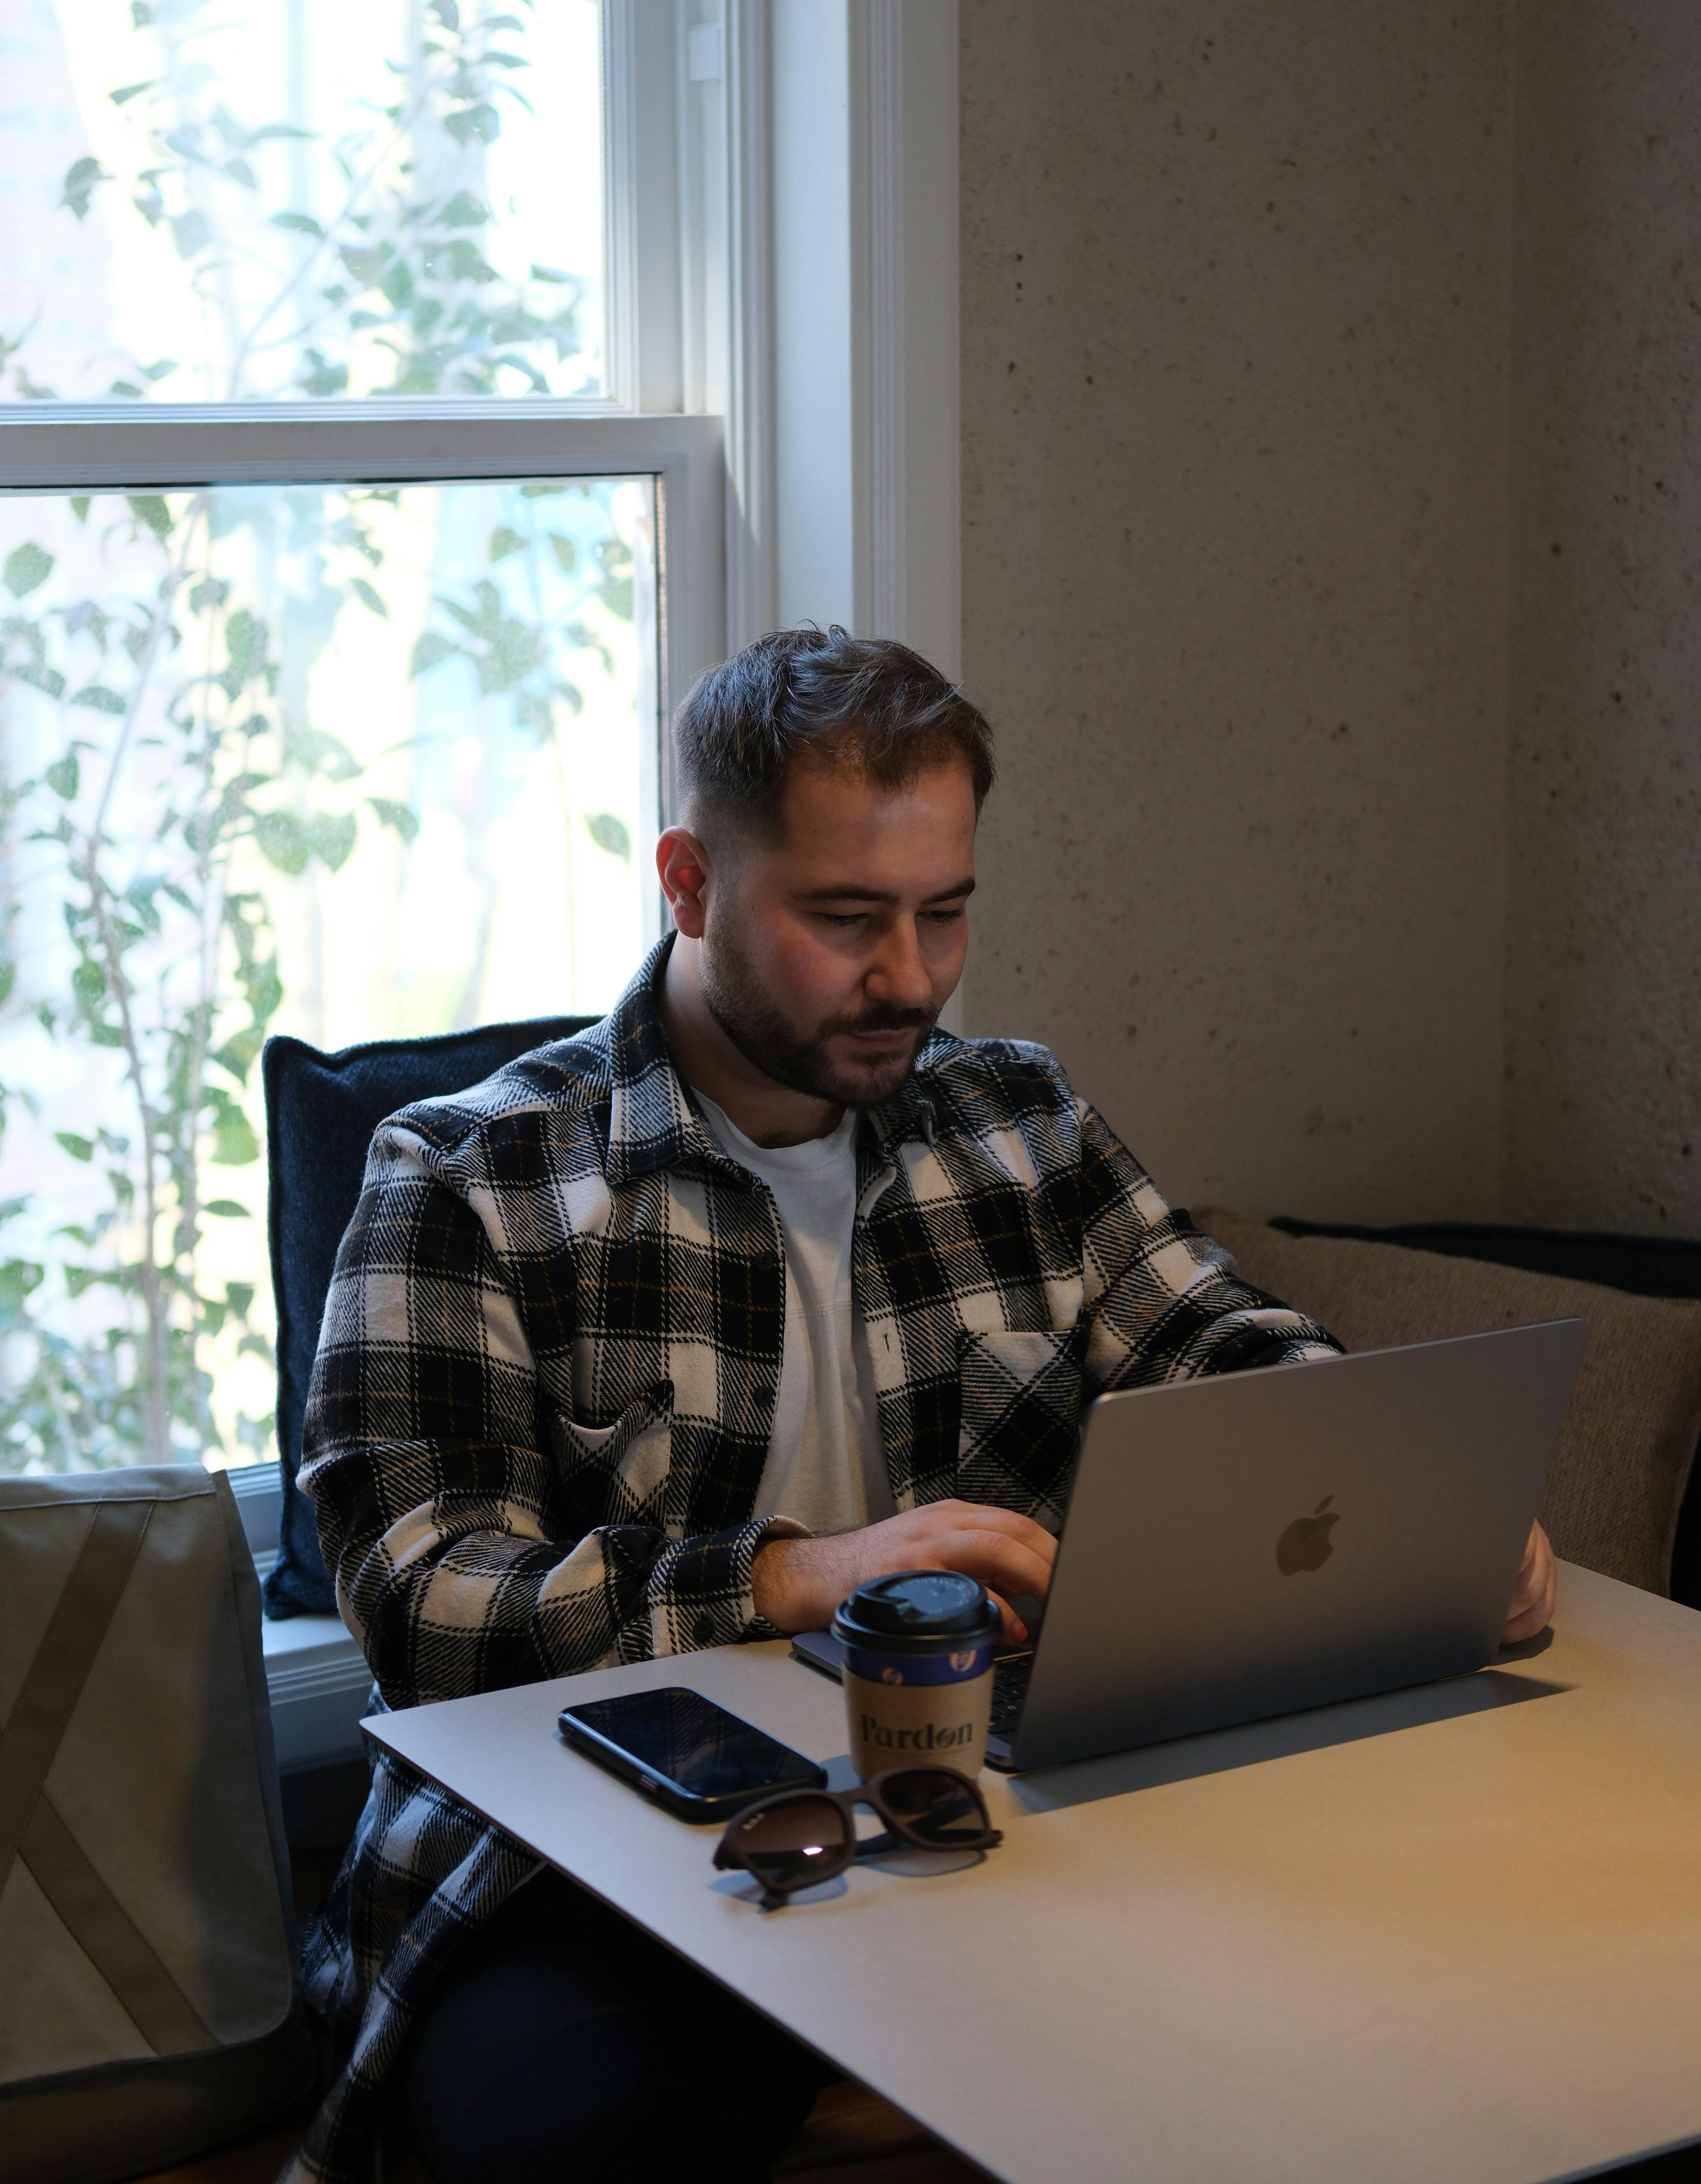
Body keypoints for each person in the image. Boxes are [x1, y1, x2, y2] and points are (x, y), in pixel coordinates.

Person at [290, 628, 1556, 2184]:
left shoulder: (1018, 1118)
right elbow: (428, 1607)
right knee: (580, 2127)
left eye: (943, 912)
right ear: (688, 883)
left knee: (1428, 1996)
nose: (909, 977)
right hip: (591, 1871)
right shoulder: (466, 1180)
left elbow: (1222, 1341)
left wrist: (1412, 1509)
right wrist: (802, 1574)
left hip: (1013, 1812)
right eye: (843, 920)